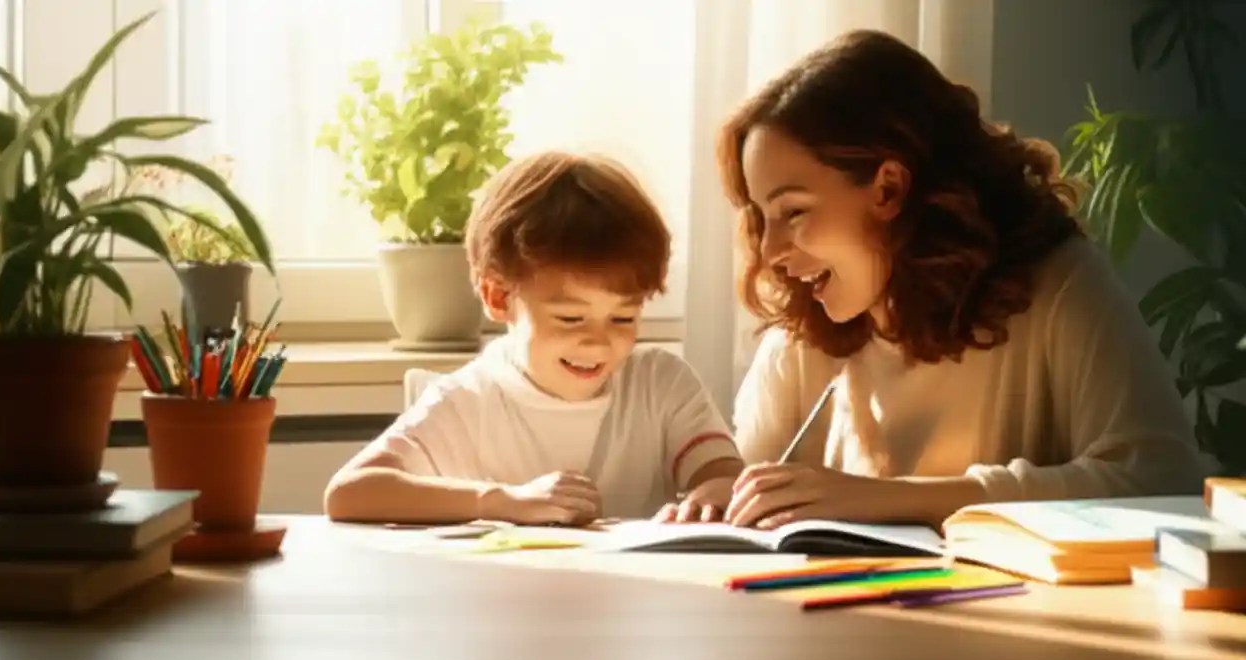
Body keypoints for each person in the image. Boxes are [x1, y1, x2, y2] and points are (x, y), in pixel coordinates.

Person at [706, 29, 1206, 532]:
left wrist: (892, 499)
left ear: (888, 188)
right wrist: (712, 502)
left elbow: (1163, 482)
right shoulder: (804, 331)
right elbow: (744, 494)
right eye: (762, 215)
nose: (769, 252)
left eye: (793, 211)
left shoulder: (1059, 285)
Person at [325, 150, 742, 531]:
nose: (598, 343)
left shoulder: (661, 383)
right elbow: (349, 492)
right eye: (570, 318)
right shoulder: (467, 400)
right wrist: (502, 501)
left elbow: (720, 472)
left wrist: (718, 490)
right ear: (499, 297)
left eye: (623, 317)